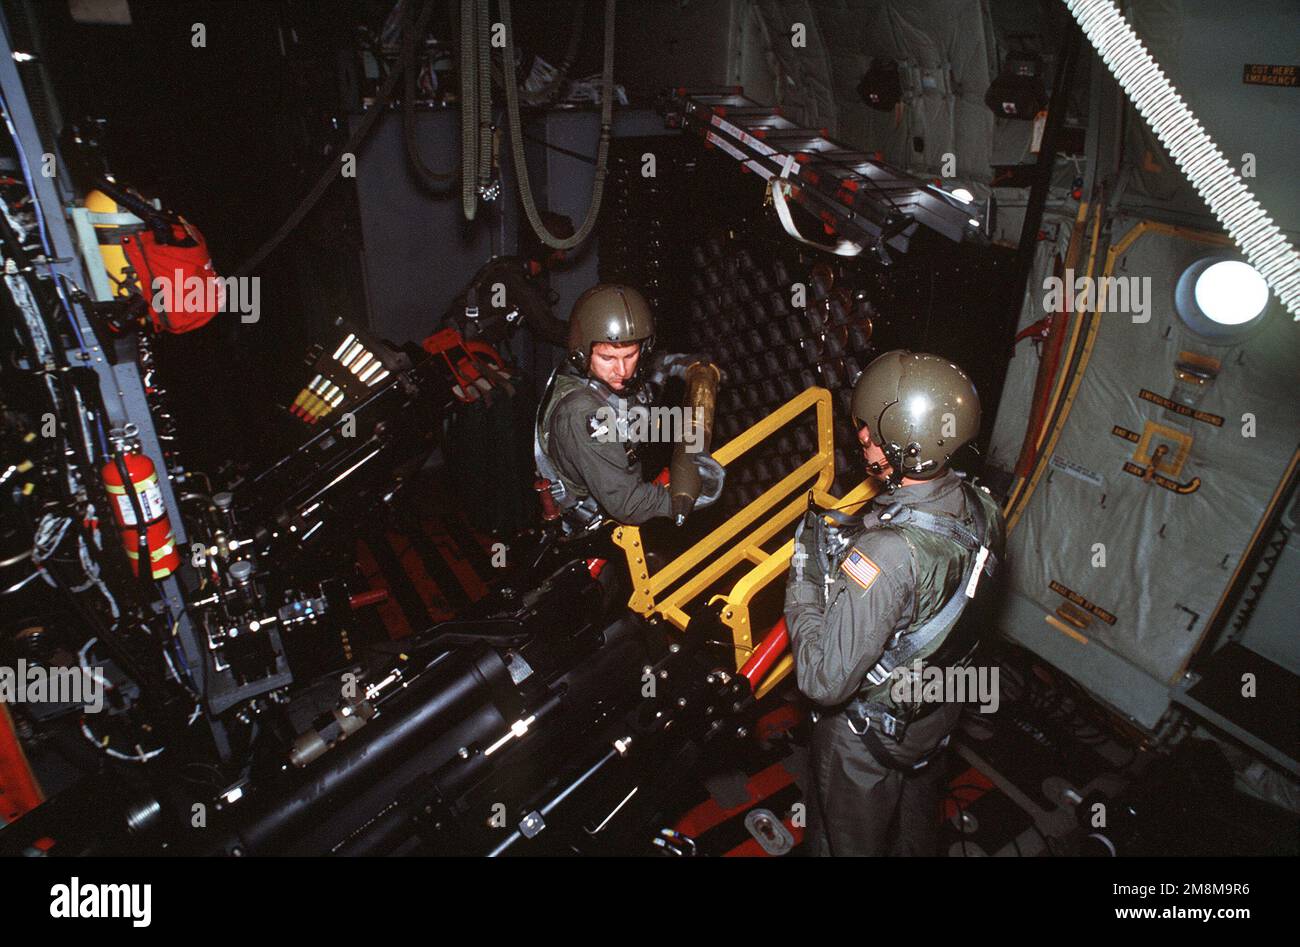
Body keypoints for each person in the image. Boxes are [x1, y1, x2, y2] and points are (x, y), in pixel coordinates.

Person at [784, 349, 1005, 856]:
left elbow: (823, 682)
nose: (860, 437)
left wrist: (804, 570)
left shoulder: (886, 555)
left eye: (869, 430)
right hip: (933, 719)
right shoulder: (983, 505)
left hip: (867, 737)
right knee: (915, 827)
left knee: (844, 843)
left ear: (905, 444)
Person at [535, 283, 724, 533]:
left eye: (630, 355)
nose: (622, 371)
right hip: (594, 528)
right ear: (582, 352)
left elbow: (654, 368)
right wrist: (696, 497)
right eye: (608, 358)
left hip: (620, 487)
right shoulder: (582, 413)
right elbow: (629, 504)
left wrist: (688, 366)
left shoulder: (601, 374)